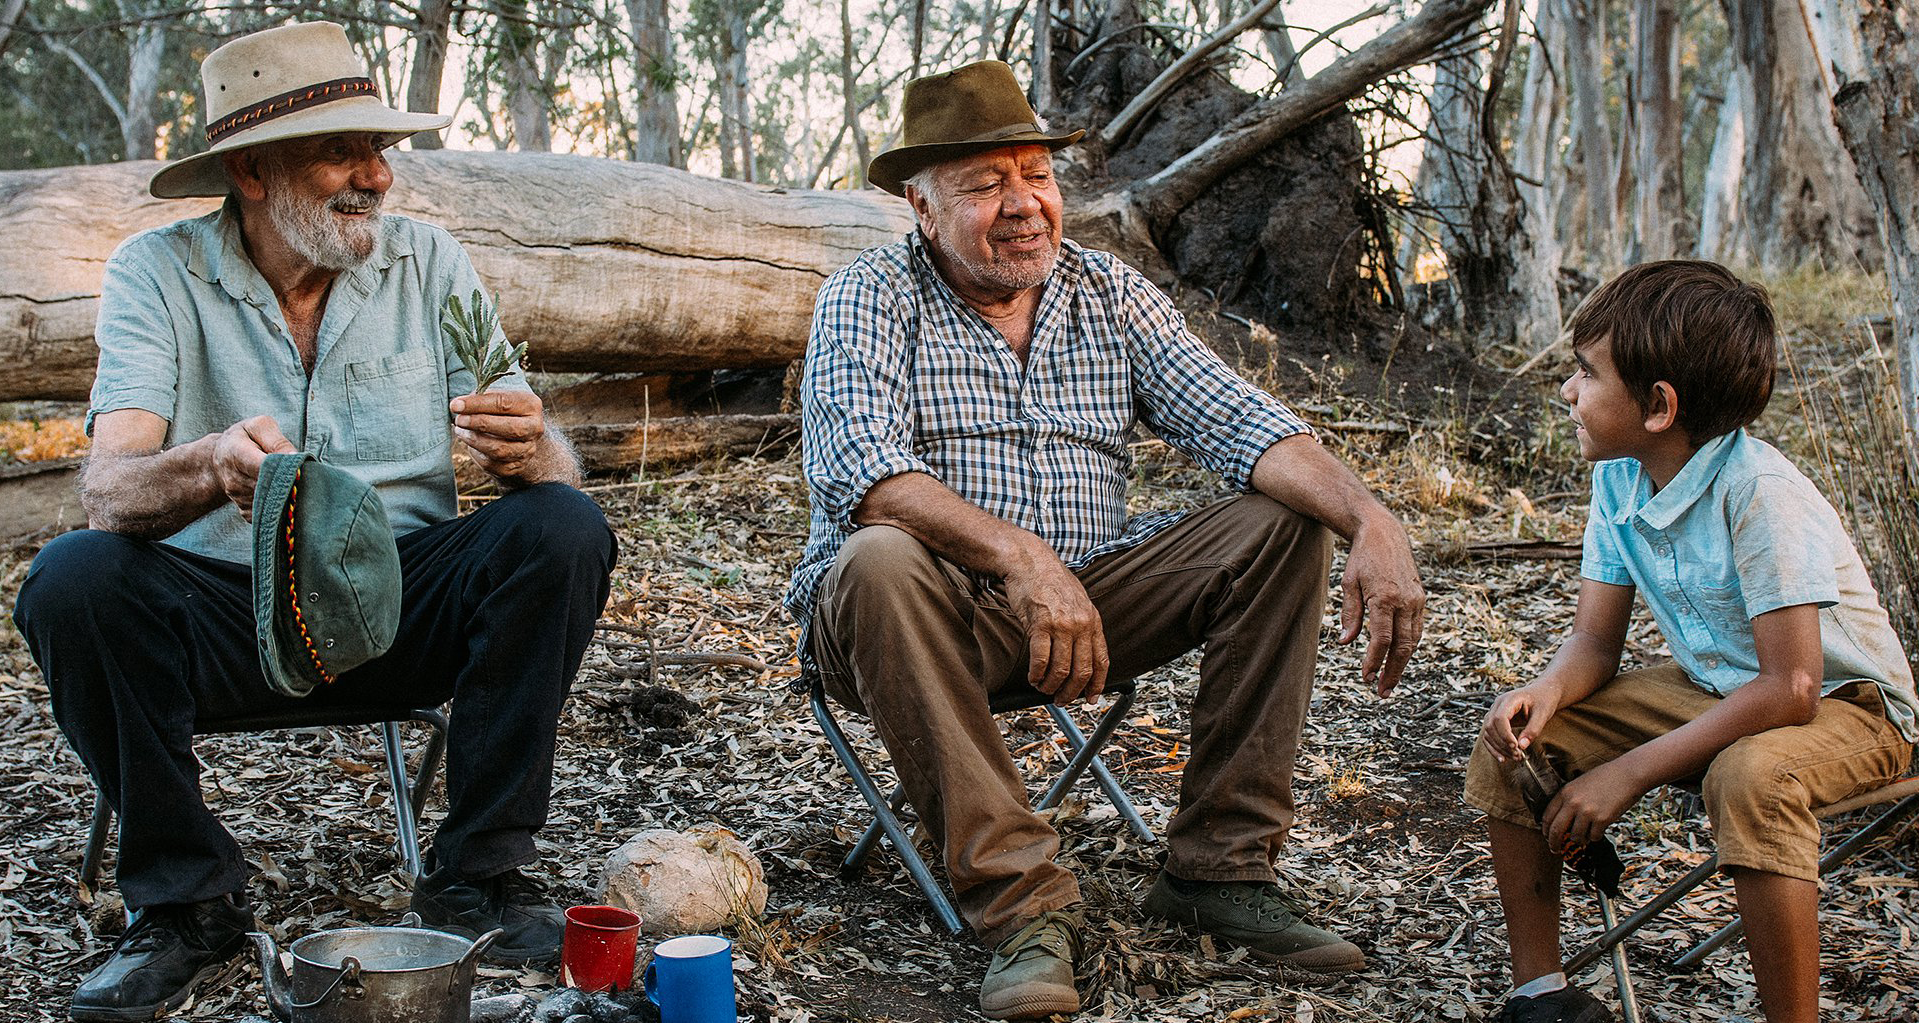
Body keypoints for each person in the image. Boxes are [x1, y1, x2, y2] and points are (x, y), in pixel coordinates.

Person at [787, 60, 1425, 1020]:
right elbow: (864, 479)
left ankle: (1219, 866)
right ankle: (1022, 907)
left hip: (1081, 609)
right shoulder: (866, 299)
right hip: (915, 618)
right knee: (878, 552)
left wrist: (1370, 517)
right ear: (920, 208)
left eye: (1034, 175)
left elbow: (1241, 420)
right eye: (984, 184)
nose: (1022, 205)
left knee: (1285, 521)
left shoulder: (1105, 293)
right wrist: (1019, 556)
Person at [11, 23, 616, 1022]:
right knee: (74, 577)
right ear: (251, 169)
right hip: (227, 618)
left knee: (559, 526)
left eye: (379, 150)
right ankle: (184, 902)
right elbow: (109, 493)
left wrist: (535, 448)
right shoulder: (155, 274)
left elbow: (538, 454)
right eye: (342, 151)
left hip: (404, 602)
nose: (375, 175)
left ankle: (475, 879)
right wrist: (209, 466)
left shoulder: (429, 267)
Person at [1464, 261, 1917, 1023]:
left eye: (1584, 373)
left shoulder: (1759, 491)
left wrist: (1628, 773)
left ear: (1657, 407)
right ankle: (1539, 995)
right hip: (1721, 689)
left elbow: (1792, 687)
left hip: (1850, 709)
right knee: (1516, 738)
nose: (1568, 391)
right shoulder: (1617, 478)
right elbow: (1592, 643)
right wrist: (1541, 691)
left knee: (1751, 777)